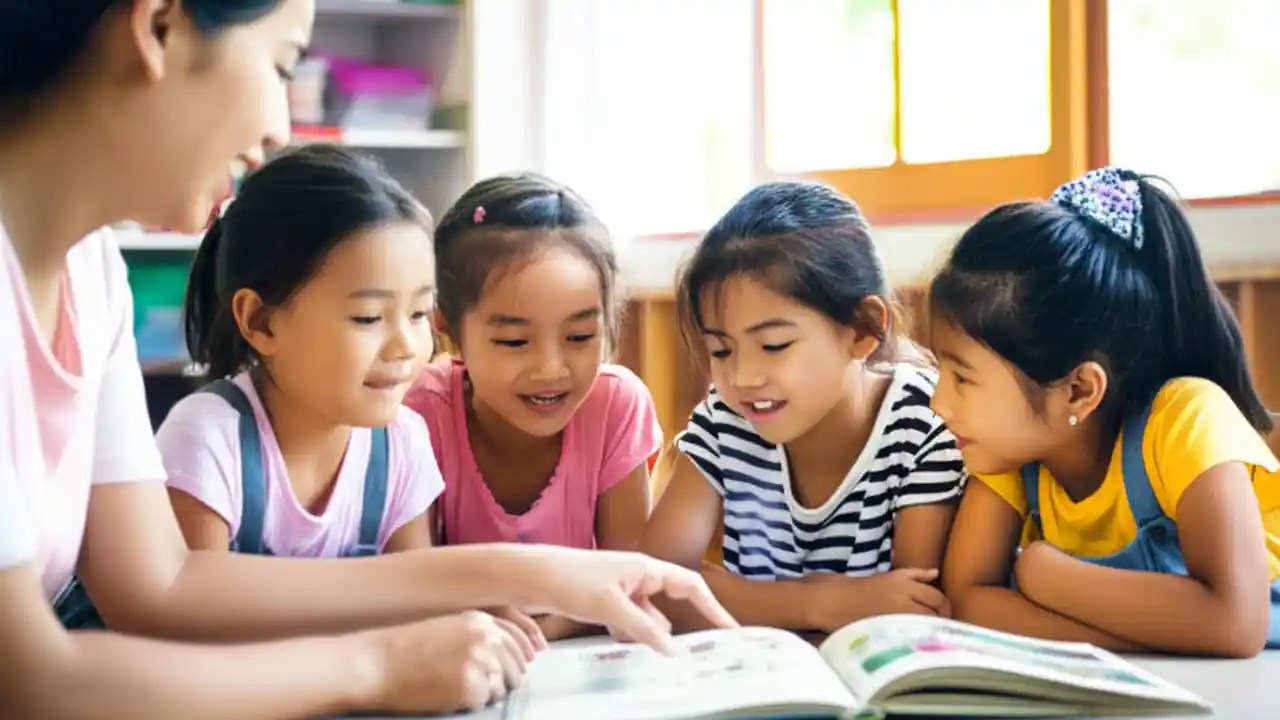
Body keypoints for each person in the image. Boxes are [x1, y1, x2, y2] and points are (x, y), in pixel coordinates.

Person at [0, 2, 734, 716]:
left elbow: (161, 582)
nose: (281, 126)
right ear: (158, 27)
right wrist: (376, 665)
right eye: (282, 62)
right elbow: (29, 679)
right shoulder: (212, 421)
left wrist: (541, 571)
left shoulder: (91, 273)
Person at [933, 167, 1280, 657]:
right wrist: (1135, 638)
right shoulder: (1009, 454)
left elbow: (1237, 624)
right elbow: (968, 600)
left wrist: (1043, 574)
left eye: (962, 378)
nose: (938, 403)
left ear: (1078, 390)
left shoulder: (1185, 418)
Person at [642, 181, 966, 634]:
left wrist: (743, 598)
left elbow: (910, 607)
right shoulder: (726, 420)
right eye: (720, 351)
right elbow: (653, 582)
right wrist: (820, 603)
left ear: (862, 330)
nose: (742, 378)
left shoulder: (924, 425)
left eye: (773, 346)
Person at [405, 173, 662, 641]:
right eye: (514, 341)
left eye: (580, 337)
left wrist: (552, 626)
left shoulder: (615, 405)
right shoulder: (419, 413)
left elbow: (633, 584)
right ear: (450, 329)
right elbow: (410, 589)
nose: (551, 368)